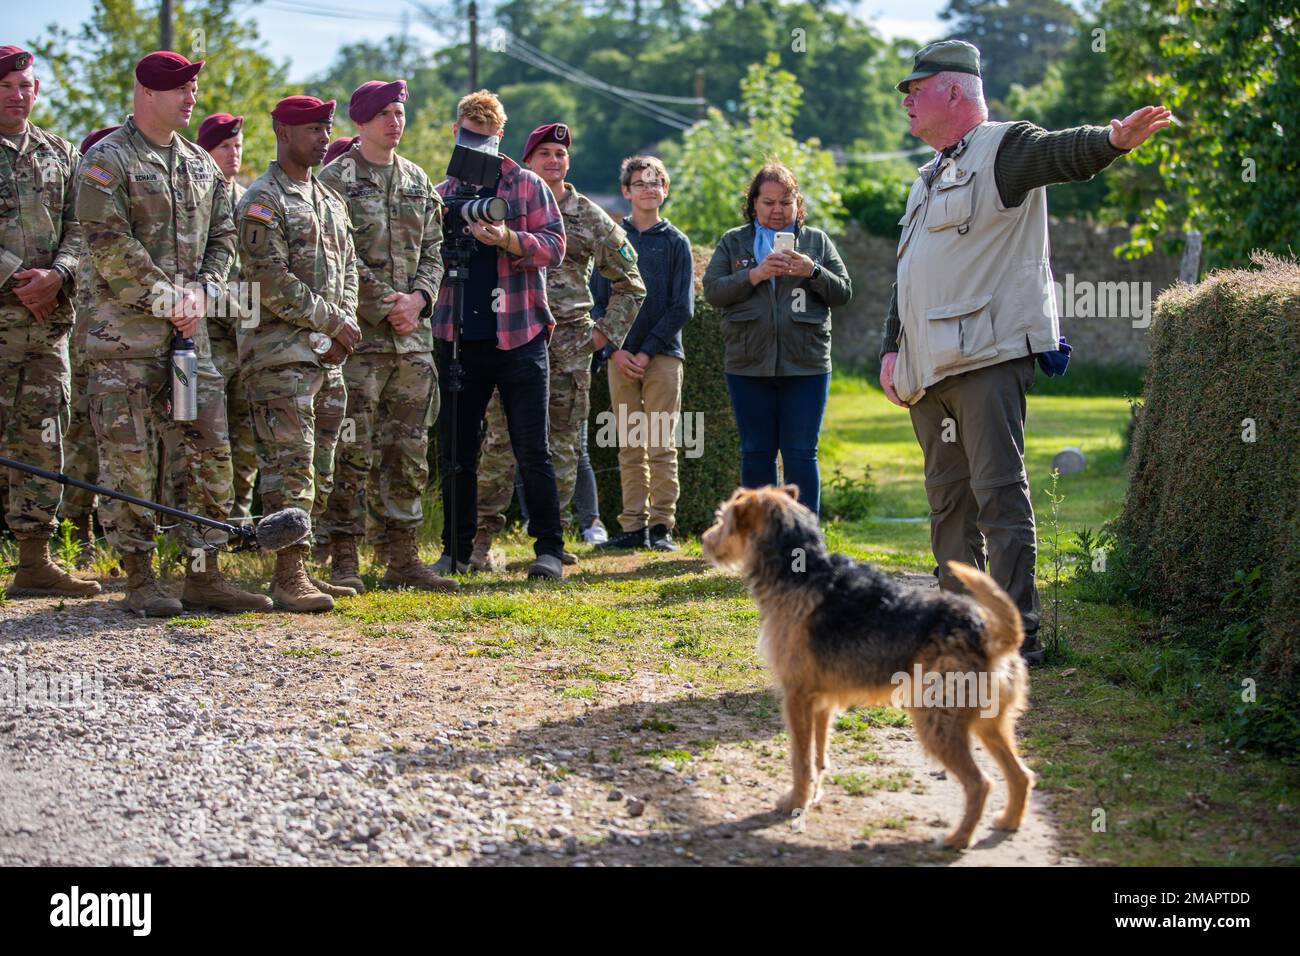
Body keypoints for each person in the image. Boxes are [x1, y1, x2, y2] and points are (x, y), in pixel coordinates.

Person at [878, 39, 1170, 663]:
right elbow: (909, 275)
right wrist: (889, 350)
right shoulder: (925, 178)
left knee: (998, 494)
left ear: (953, 91)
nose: (906, 100)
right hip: (926, 369)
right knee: (949, 501)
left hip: (986, 357)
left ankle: (1016, 635)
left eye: (915, 89)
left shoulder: (1004, 149)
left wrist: (1111, 141)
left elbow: (1060, 154)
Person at [77, 50, 271, 616]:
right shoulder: (105, 161)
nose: (191, 98)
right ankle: (138, 576)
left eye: (192, 88)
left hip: (191, 337)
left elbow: (225, 238)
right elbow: (108, 242)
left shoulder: (198, 164)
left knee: (209, 449)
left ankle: (204, 572)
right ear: (147, 93)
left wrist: (203, 293)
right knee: (129, 457)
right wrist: (171, 299)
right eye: (180, 88)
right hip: (125, 340)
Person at [472, 121, 645, 571]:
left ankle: (552, 539)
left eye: (560, 154)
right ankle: (479, 540)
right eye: (544, 153)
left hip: (568, 343)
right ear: (527, 161)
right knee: (500, 442)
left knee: (563, 445)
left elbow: (631, 283)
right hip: (513, 336)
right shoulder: (504, 205)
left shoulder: (589, 215)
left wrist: (603, 335)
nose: (553, 160)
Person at [317, 80, 456, 593]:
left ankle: (401, 555)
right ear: (361, 122)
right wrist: (386, 303)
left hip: (412, 343)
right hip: (361, 342)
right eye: (384, 114)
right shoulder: (334, 180)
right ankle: (344, 556)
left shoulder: (418, 180)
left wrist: (419, 300)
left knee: (409, 449)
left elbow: (436, 251)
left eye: (400, 112)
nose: (394, 121)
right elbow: (336, 258)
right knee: (352, 447)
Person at [430, 90, 568, 580]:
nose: (475, 145)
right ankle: (455, 551)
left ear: (500, 136)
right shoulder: (442, 192)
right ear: (455, 132)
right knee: (457, 450)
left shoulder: (528, 185)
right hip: (458, 333)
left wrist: (508, 238)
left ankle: (549, 550)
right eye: (468, 136)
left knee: (533, 448)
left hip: (520, 332)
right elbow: (426, 260)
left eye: (484, 139)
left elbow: (555, 246)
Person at [237, 94, 361, 612]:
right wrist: (332, 321)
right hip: (280, 355)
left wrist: (344, 325)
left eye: (326, 128)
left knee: (322, 465)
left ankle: (304, 565)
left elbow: (349, 269)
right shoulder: (263, 199)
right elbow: (269, 280)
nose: (323, 137)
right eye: (312, 129)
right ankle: (287, 575)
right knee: (291, 465)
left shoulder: (329, 198)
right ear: (282, 132)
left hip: (327, 358)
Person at [0, 45, 100, 597]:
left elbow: (82, 225)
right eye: (8, 87)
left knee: (40, 437)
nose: (19, 96)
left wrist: (58, 275)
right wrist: (21, 279)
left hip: (48, 328)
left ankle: (34, 562)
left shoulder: (60, 152)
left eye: (26, 86)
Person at [702, 161, 852, 517]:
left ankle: (801, 539)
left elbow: (843, 292)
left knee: (801, 452)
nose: (776, 210)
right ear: (753, 203)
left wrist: (812, 271)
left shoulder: (816, 241)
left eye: (785, 202)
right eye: (767, 202)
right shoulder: (733, 241)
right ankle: (760, 539)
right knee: (756, 452)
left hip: (807, 365)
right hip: (748, 364)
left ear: (797, 204)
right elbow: (712, 292)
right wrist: (753, 275)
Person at [593, 155, 692, 552]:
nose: (649, 188)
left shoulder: (676, 243)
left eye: (657, 182)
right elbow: (599, 302)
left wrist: (647, 351)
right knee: (631, 443)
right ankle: (633, 525)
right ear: (626, 191)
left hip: (663, 355)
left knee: (660, 442)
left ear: (665, 190)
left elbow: (681, 306)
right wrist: (617, 350)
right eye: (640, 182)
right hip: (620, 357)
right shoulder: (613, 240)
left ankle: (662, 526)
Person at [58, 125, 119, 567]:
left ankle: (120, 540)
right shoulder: (83, 216)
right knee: (80, 438)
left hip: (122, 343)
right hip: (85, 343)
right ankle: (76, 537)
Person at [197, 111, 257, 526]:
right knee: (209, 433)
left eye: (238, 146)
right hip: (211, 332)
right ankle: (204, 520)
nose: (233, 154)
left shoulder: (250, 199)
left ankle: (239, 518)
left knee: (246, 431)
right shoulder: (196, 198)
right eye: (224, 147)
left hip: (247, 333)